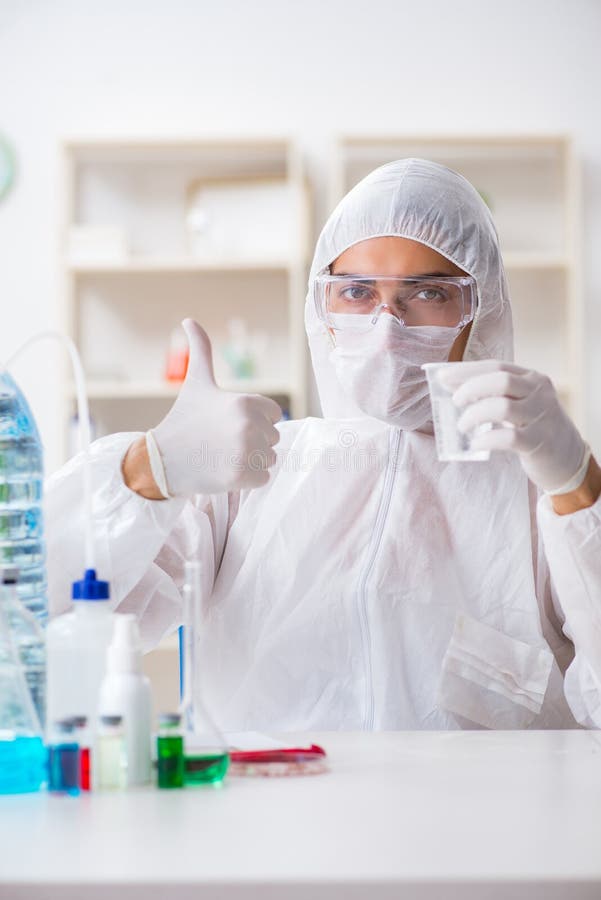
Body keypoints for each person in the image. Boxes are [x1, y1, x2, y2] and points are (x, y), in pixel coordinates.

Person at [47, 159, 601, 731]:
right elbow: (38, 620)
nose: (388, 328)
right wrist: (147, 471)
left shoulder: (541, 496)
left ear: (478, 309)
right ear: (323, 308)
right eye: (357, 291)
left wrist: (581, 489)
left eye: (431, 292)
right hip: (266, 814)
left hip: (485, 821)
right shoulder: (251, 476)